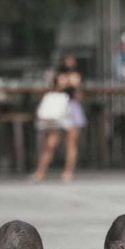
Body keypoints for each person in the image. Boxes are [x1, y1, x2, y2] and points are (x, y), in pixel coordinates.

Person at [32, 54, 87, 182]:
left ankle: (68, 172)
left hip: (72, 108)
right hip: (57, 108)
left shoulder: (78, 76)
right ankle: (40, 172)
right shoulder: (57, 75)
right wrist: (63, 83)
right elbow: (51, 89)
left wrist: (75, 85)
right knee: (51, 142)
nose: (69, 62)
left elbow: (80, 97)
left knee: (71, 142)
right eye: (67, 59)